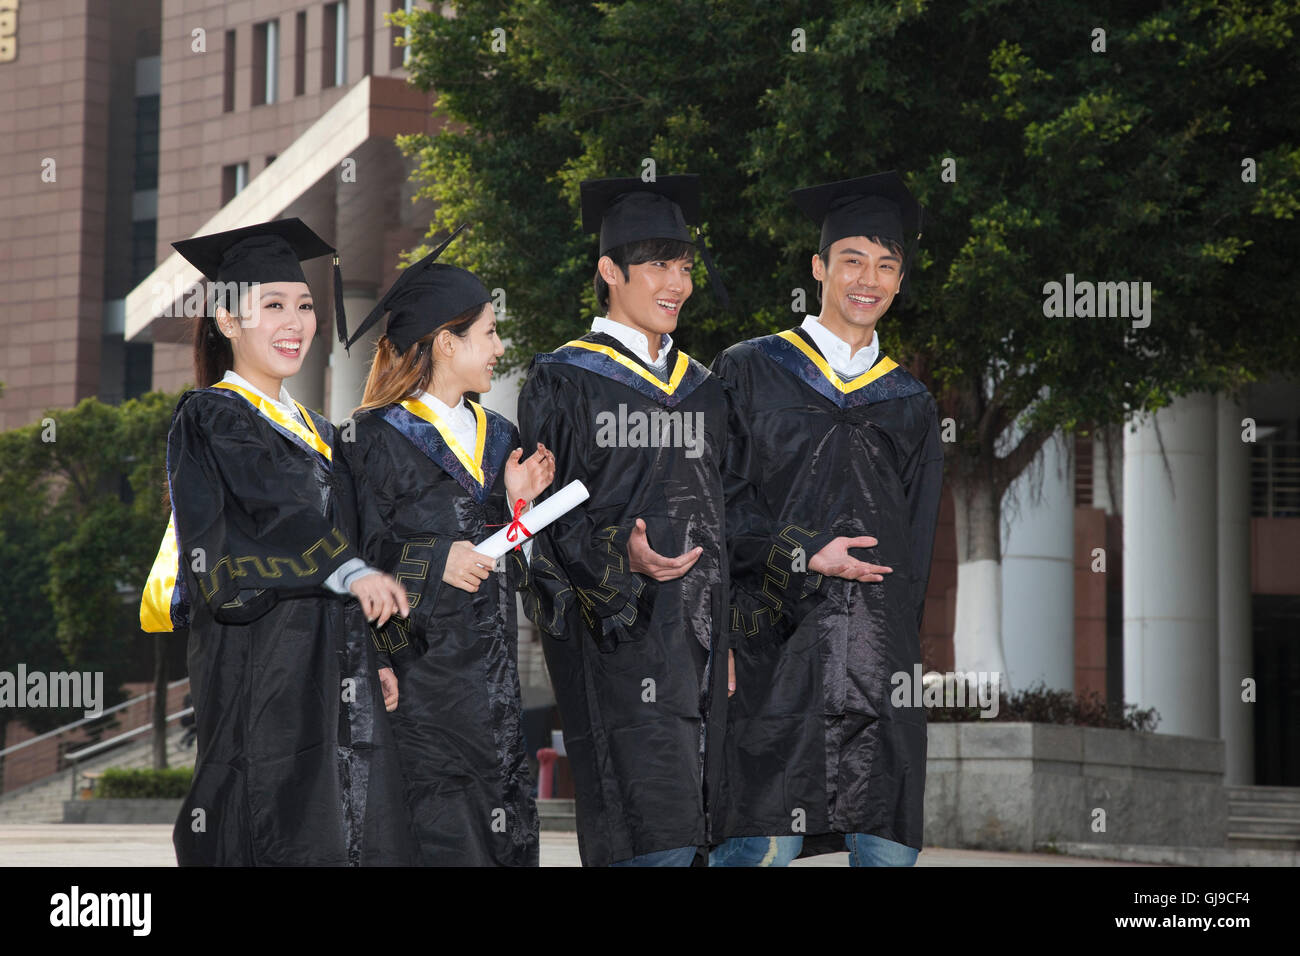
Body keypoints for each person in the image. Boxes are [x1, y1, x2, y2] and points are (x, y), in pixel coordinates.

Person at [517, 176, 884, 866]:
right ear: (609, 271)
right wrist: (619, 555)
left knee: (702, 833)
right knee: (650, 830)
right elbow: (544, 514)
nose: (678, 283)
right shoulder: (565, 380)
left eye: (685, 266)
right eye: (659, 264)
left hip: (707, 654)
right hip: (619, 646)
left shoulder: (706, 390)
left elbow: (735, 514)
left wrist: (803, 553)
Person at [140, 218, 415, 866]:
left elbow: (362, 538)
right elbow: (273, 508)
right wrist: (350, 572)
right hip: (260, 661)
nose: (295, 322)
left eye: (305, 306)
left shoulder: (324, 434)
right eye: (273, 306)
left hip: (337, 666)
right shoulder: (211, 416)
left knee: (356, 826)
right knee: (270, 821)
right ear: (228, 320)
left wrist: (379, 653)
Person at [709, 172, 944, 867]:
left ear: (899, 280)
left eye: (886, 265)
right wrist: (801, 551)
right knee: (760, 845)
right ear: (818, 268)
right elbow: (719, 505)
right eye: (852, 260)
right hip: (774, 652)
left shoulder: (910, 402)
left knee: (886, 846)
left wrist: (902, 658)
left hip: (878, 661)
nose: (869, 280)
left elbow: (917, 548)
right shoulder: (750, 370)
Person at [339, 227, 551, 866]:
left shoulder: (501, 434)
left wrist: (519, 507)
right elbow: (352, 560)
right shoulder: (370, 438)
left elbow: (504, 559)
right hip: (419, 691)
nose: (500, 348)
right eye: (489, 332)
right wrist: (435, 560)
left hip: (497, 693)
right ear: (446, 342)